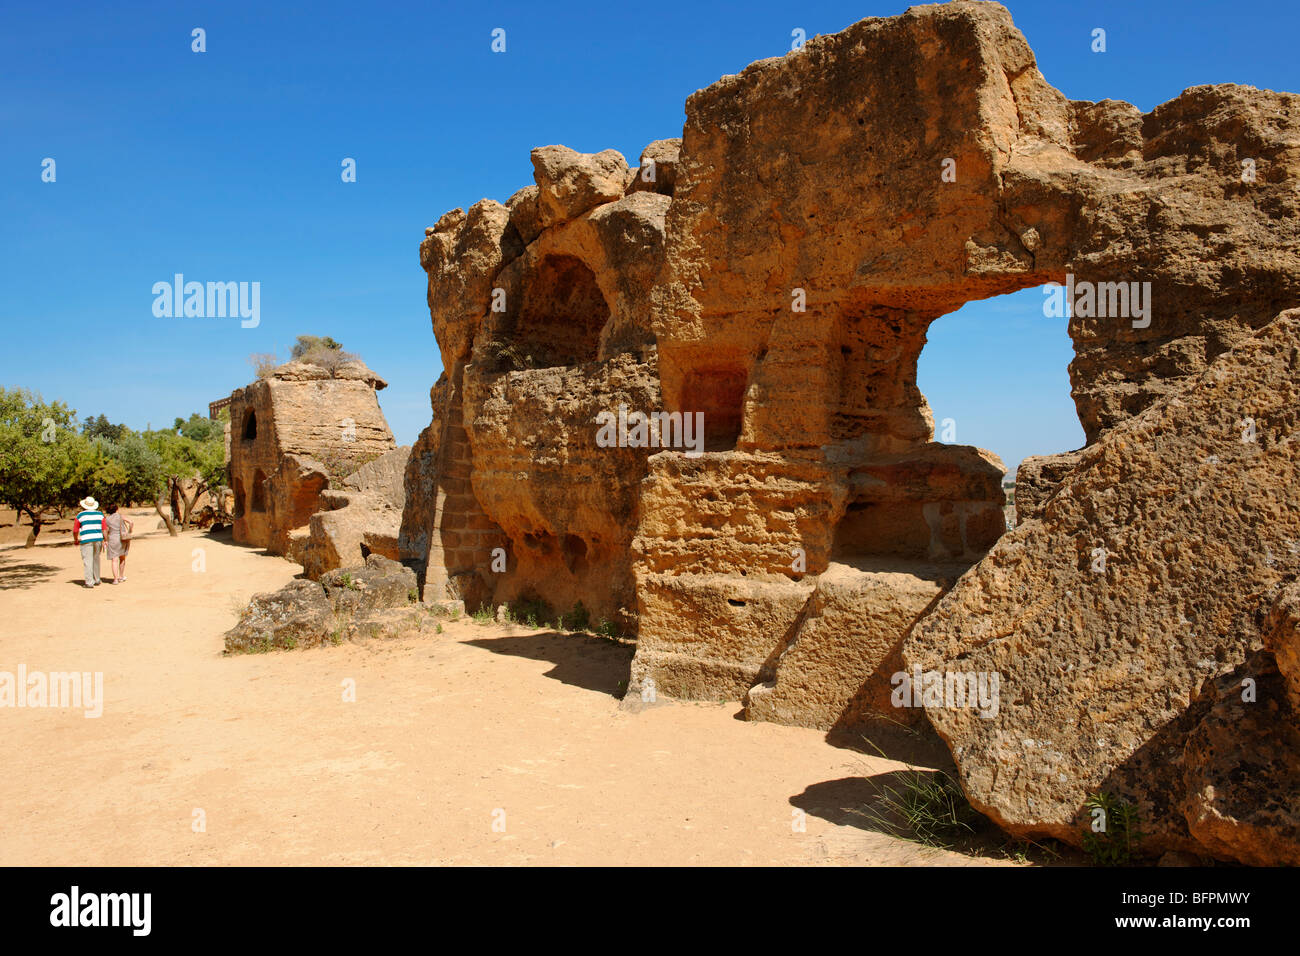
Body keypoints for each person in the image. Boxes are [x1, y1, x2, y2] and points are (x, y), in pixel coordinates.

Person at [72, 496, 105, 588]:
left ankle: (89, 582)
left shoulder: (80, 515)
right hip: (98, 538)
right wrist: (105, 539)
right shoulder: (100, 514)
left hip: (86, 539)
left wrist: (75, 539)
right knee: (96, 559)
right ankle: (97, 579)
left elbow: (75, 530)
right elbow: (104, 528)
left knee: (88, 560)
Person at [104, 503, 133, 584]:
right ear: (116, 509)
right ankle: (121, 576)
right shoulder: (120, 516)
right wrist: (129, 531)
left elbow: (106, 530)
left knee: (114, 559)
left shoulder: (107, 519)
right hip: (122, 538)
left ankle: (115, 579)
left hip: (112, 539)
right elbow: (131, 522)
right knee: (122, 558)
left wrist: (105, 540)